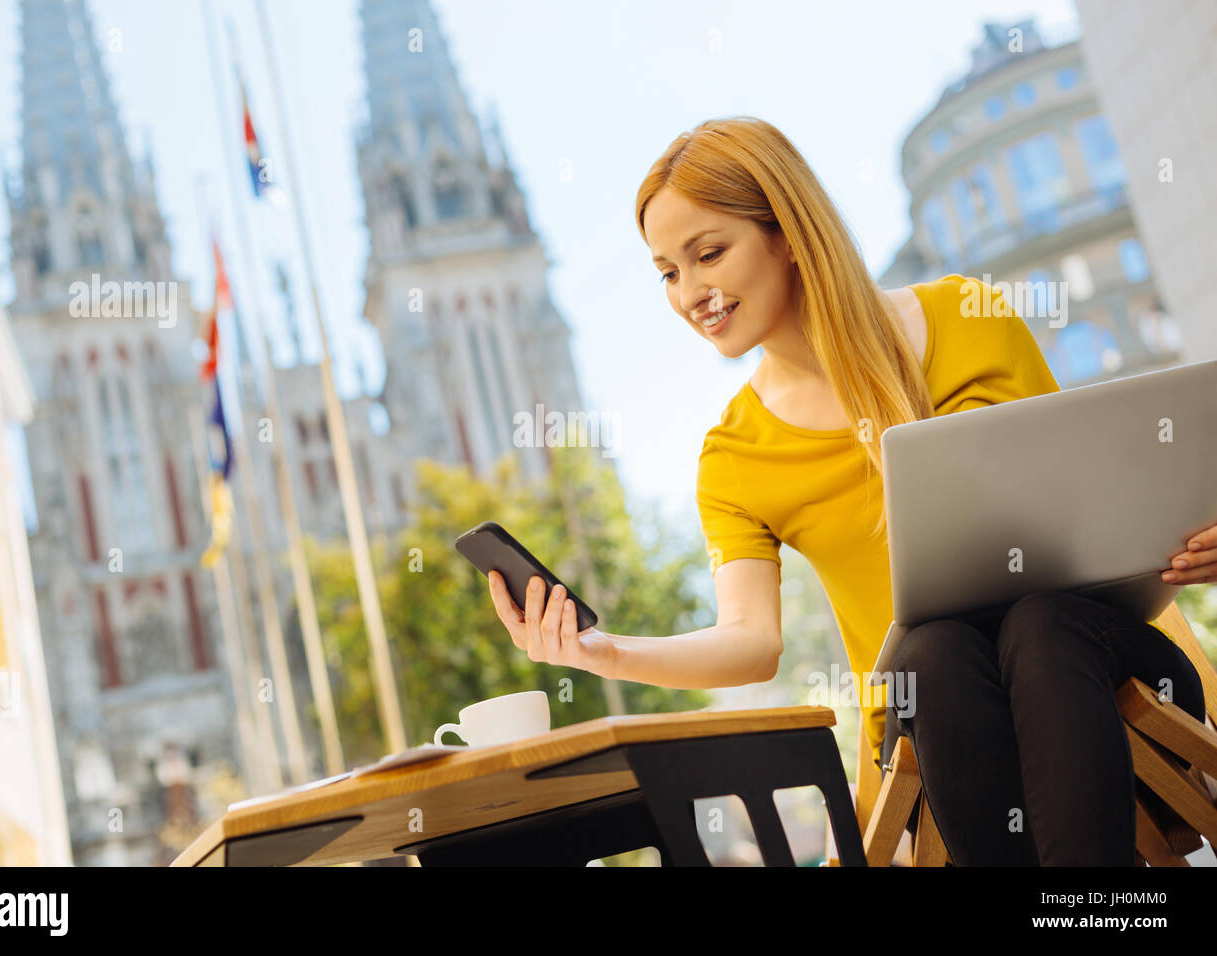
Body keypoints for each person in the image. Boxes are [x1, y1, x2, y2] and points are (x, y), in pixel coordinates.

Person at [484, 116, 1214, 865]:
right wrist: (601, 650)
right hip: (940, 722)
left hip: (1110, 685)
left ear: (788, 232)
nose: (691, 292)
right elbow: (751, 642)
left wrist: (1197, 541)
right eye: (669, 272)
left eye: (709, 254)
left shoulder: (970, 317)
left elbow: (1106, 512)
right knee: (933, 653)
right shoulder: (738, 455)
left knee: (1039, 623)